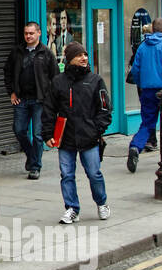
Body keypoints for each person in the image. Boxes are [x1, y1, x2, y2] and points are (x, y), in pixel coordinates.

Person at [42, 41, 111, 224]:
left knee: (94, 173)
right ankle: (72, 208)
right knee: (67, 175)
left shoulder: (95, 80)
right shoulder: (58, 82)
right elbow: (49, 109)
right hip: (66, 137)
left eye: (85, 55)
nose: (84, 58)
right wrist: (47, 134)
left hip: (89, 137)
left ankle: (102, 203)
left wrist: (97, 130)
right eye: (79, 55)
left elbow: (104, 108)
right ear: (70, 59)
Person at [4, 21, 58, 180]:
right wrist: (12, 92)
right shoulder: (17, 52)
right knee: (19, 129)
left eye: (31, 33)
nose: (28, 36)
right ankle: (31, 155)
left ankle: (35, 167)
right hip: (21, 99)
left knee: (38, 134)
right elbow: (7, 72)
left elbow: (55, 79)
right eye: (26, 33)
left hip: (40, 101)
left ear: (39, 33)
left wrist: (52, 101)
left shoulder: (47, 53)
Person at [127, 18, 162, 173]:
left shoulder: (143, 46)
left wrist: (141, 83)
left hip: (147, 90)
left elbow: (135, 69)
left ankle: (136, 145)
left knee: (148, 122)